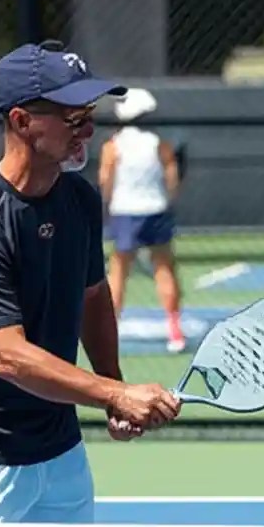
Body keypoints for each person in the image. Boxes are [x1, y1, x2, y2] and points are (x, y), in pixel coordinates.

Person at [0, 40, 182, 527]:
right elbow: (10, 358)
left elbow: (93, 296)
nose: (87, 131)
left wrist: (113, 382)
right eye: (72, 118)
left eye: (90, 117)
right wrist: (112, 396)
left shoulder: (81, 201)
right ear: (21, 120)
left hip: (57, 436)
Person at [97, 88, 187, 353]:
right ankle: (175, 331)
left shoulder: (113, 146)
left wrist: (111, 205)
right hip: (155, 211)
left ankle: (109, 331)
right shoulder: (160, 145)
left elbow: (105, 181)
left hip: (125, 212)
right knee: (164, 268)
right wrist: (165, 200)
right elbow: (172, 179)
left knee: (118, 272)